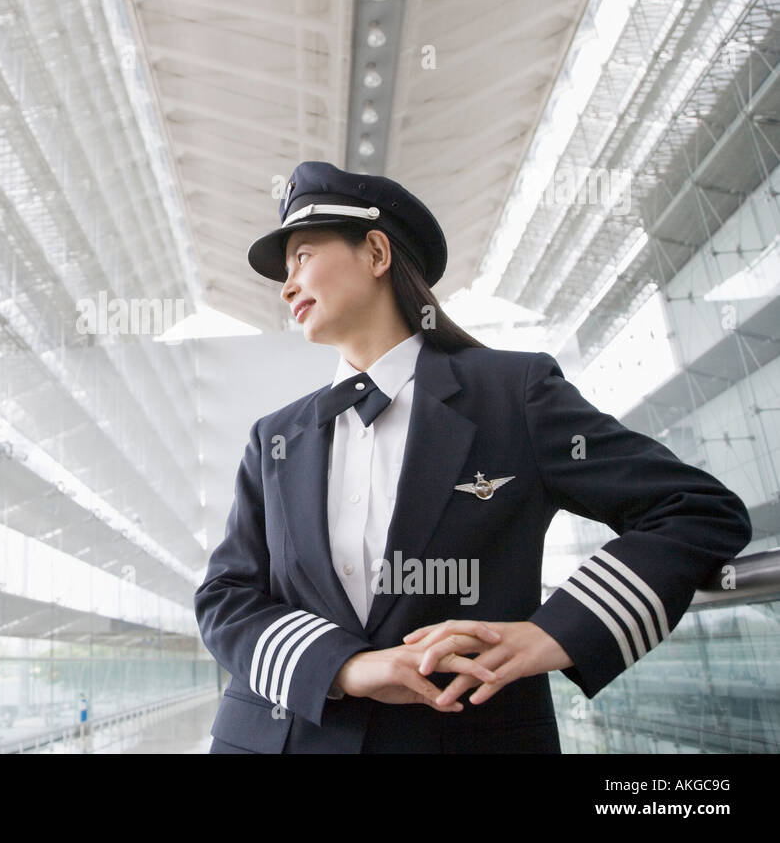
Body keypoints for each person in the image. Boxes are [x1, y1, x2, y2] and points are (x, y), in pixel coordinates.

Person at [194, 161, 752, 753]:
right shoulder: (275, 437)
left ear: (376, 252)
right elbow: (226, 595)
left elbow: (694, 509)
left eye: (302, 256)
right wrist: (347, 668)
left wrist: (552, 632)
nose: (286, 286)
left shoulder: (516, 394)